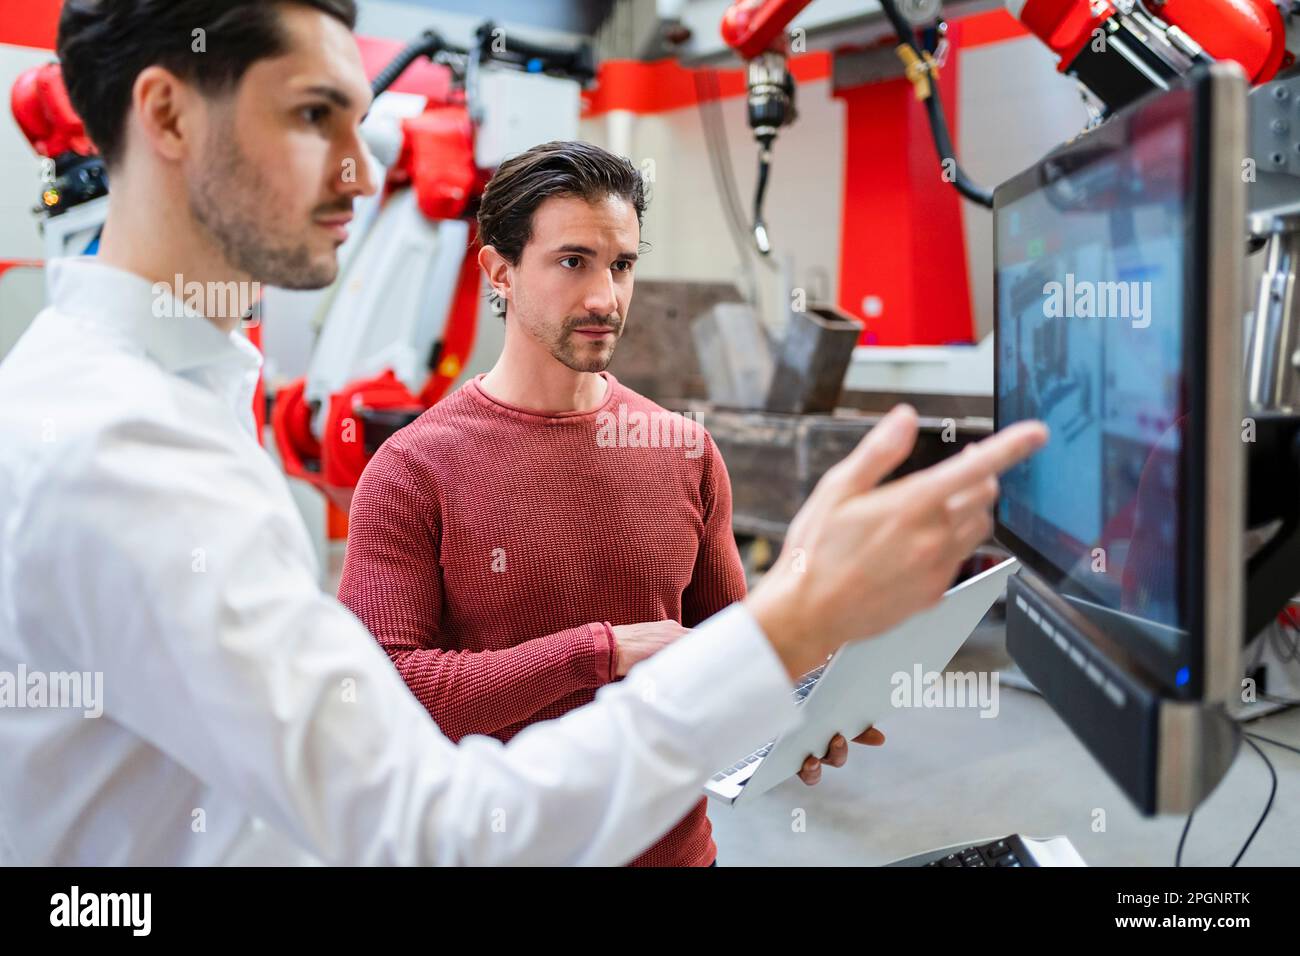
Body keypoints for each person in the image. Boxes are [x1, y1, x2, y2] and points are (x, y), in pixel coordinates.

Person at [0, 0, 1048, 865]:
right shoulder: (126, 450)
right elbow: (427, 820)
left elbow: (707, 653)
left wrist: (780, 700)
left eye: (621, 263)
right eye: (313, 114)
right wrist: (758, 634)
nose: (359, 175)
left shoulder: (182, 400)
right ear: (168, 117)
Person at [338, 140, 885, 867]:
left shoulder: (684, 453)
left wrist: (800, 719)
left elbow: (725, 656)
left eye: (621, 265)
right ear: (499, 272)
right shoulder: (411, 471)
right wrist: (601, 651)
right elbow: (383, 698)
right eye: (573, 262)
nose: (606, 297)